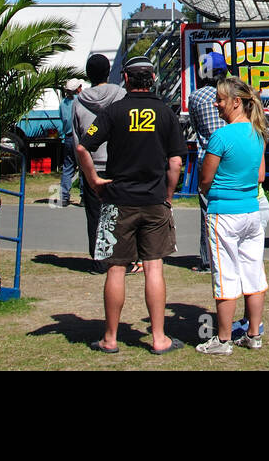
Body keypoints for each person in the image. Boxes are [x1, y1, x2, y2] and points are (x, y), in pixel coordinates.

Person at [77, 57, 186, 355]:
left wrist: (95, 181)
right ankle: (159, 337)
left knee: (115, 268)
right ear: (152, 78)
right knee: (154, 267)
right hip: (153, 199)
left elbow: (82, 147)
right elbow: (176, 161)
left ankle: (110, 338)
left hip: (119, 199)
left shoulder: (114, 111)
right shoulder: (165, 112)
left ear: (125, 78)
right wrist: (169, 193)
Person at [195, 76, 269, 355]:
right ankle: (253, 334)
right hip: (251, 209)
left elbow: (205, 178)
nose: (216, 104)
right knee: (253, 274)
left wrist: (211, 189)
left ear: (236, 102)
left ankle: (223, 340)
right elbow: (260, 175)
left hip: (224, 212)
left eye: (220, 99)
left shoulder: (221, 136)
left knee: (225, 276)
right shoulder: (257, 132)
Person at [72, 54, 127, 272]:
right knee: (120, 212)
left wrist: (82, 167)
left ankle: (98, 260)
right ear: (108, 71)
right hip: (117, 163)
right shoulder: (121, 94)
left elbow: (77, 138)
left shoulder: (79, 102)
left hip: (91, 164)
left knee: (95, 214)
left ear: (88, 74)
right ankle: (120, 257)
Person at [188, 50, 228, 272]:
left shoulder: (196, 97)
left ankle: (207, 260)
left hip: (206, 157)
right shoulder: (231, 93)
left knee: (207, 210)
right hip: (231, 157)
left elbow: (195, 127)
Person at [58, 79, 82, 207]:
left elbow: (62, 118)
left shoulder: (63, 103)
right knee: (83, 166)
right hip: (78, 136)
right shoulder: (80, 101)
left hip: (67, 137)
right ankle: (84, 196)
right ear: (78, 89)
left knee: (68, 167)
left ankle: (64, 196)